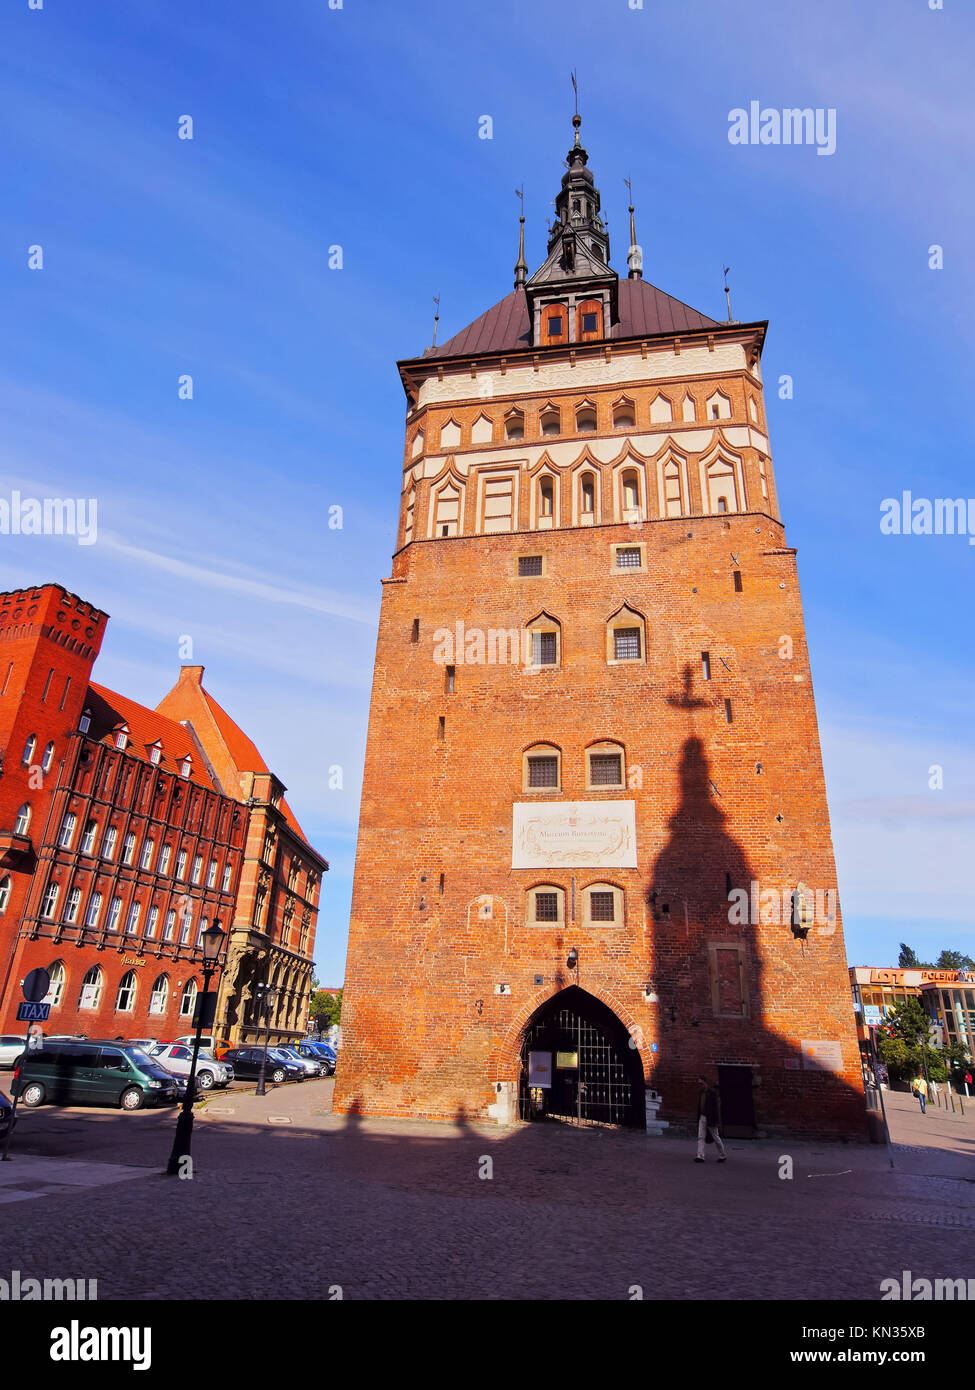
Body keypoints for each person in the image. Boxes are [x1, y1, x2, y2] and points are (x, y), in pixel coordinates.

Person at [695, 1075, 726, 1163]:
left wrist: (716, 1120)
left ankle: (722, 1155)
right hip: (702, 1117)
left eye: (701, 1083)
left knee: (715, 1137)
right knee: (701, 1137)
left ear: (705, 1082)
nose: (700, 1085)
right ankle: (700, 1156)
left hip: (710, 1118)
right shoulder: (701, 1092)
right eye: (699, 1083)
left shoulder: (712, 1093)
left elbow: (716, 1108)